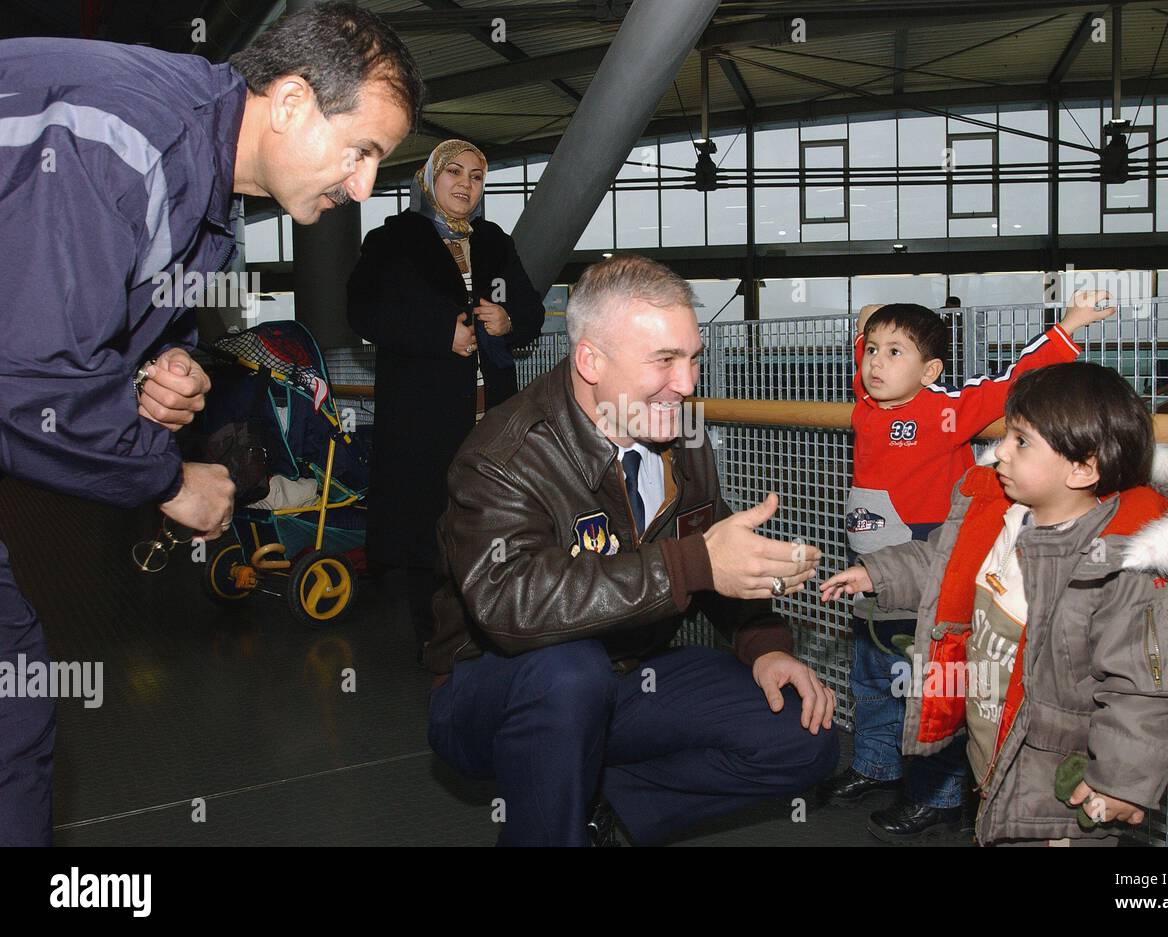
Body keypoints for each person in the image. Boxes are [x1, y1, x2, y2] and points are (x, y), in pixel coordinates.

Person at [0, 0, 420, 846]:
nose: (365, 185)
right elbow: (29, 377)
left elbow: (94, 335)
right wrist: (167, 478)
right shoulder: (131, 139)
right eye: (363, 151)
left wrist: (164, 369)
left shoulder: (207, 204)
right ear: (293, 102)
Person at [425, 254, 840, 846]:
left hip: (627, 678)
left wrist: (763, 644)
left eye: (693, 358)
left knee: (803, 736)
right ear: (590, 360)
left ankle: (605, 815)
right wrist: (693, 563)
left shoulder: (679, 436)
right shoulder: (502, 456)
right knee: (570, 673)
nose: (688, 384)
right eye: (664, 361)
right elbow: (510, 607)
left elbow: (715, 559)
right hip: (492, 689)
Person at [821, 362, 1168, 845]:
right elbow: (946, 563)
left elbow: (1151, 690)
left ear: (1083, 467)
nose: (998, 452)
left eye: (1021, 441)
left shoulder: (1131, 567)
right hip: (994, 761)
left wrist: (1122, 782)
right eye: (1007, 435)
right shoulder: (1002, 518)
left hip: (1060, 793)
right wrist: (877, 572)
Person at [820, 291, 1116, 843]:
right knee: (871, 671)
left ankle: (938, 797)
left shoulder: (945, 409)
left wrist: (1069, 325)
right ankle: (877, 765)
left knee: (929, 680)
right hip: (869, 562)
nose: (876, 362)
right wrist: (873, 323)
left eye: (895, 352)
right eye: (872, 352)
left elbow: (1011, 385)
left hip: (925, 557)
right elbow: (865, 335)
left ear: (931, 370)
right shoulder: (865, 399)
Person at [347, 140, 544, 663]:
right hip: (421, 412)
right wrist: (442, 335)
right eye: (453, 172)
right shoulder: (392, 239)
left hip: (491, 410)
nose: (465, 184)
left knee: (489, 517)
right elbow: (364, 313)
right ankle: (436, 643)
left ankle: (491, 630)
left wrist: (510, 321)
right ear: (428, 178)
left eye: (477, 176)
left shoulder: (495, 241)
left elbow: (530, 309)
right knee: (426, 523)